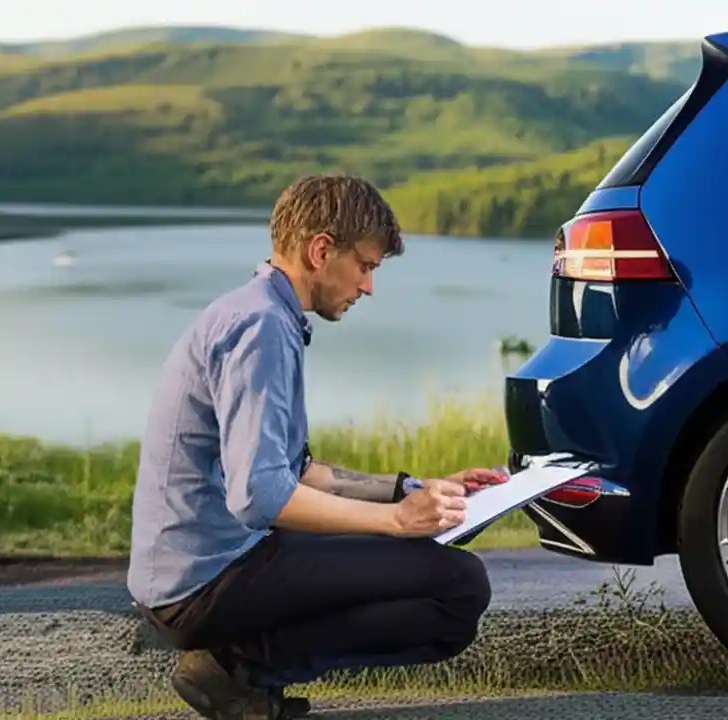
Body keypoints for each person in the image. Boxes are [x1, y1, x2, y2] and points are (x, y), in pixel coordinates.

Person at [127, 174, 507, 720]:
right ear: (321, 250)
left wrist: (416, 490)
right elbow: (259, 497)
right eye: (367, 266)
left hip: (205, 567)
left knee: (441, 570)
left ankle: (240, 668)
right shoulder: (260, 328)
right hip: (202, 582)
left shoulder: (263, 313)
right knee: (456, 586)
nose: (369, 286)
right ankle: (238, 667)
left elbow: (298, 473)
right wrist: (397, 522)